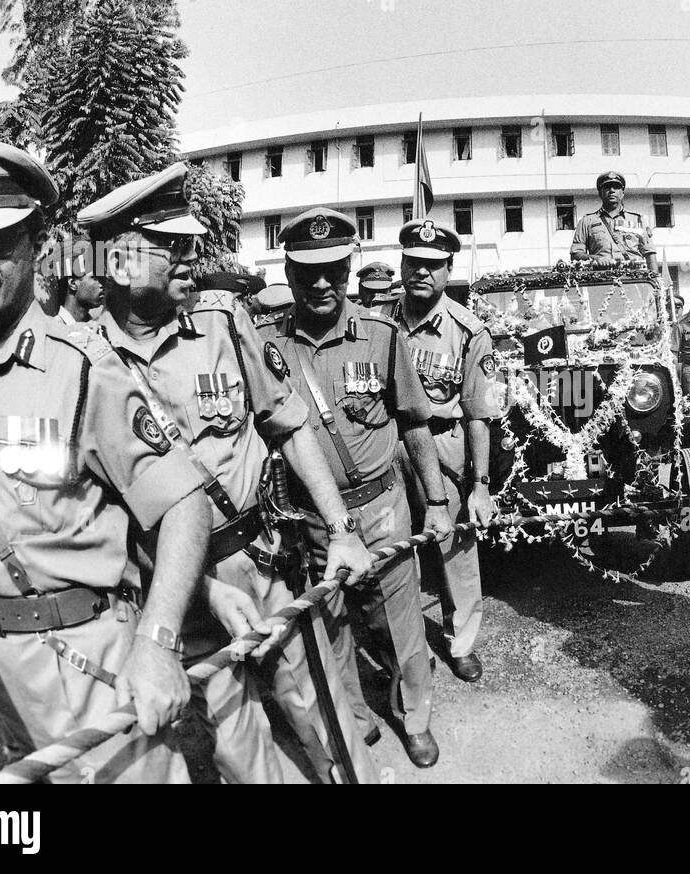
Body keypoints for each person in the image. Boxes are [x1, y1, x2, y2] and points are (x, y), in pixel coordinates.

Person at [79, 166, 376, 784]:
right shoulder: (82, 364)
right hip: (179, 595)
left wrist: (342, 528)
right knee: (241, 752)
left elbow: (289, 426)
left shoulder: (222, 321)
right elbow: (104, 518)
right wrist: (201, 589)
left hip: (268, 562)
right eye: (171, 246)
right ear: (121, 260)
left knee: (325, 719)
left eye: (191, 242)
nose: (192, 255)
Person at [0, 141, 212, 783]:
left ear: (36, 241)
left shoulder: (83, 368)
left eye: (0, 240)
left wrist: (158, 641)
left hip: (90, 663)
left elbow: (184, 502)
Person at [262, 207, 453, 768]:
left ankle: (414, 716)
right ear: (290, 273)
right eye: (307, 273)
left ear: (350, 267)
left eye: (335, 271)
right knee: (332, 625)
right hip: (313, 520)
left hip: (382, 507)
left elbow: (415, 424)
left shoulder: (380, 334)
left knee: (401, 625)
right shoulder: (267, 347)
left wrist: (437, 503)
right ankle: (357, 719)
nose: (322, 284)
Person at [391, 218, 500, 683]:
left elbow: (478, 412)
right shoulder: (377, 320)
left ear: (448, 269)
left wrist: (480, 485)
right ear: (402, 263)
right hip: (387, 443)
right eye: (414, 262)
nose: (422, 272)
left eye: (433, 265)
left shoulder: (469, 331)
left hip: (443, 445)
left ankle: (462, 641)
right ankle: (406, 645)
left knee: (455, 548)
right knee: (396, 550)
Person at [569, 171, 657, 271]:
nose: (612, 190)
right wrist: (596, 258)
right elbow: (576, 254)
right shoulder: (587, 221)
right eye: (607, 187)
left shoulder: (637, 220)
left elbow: (650, 254)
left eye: (616, 187)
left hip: (635, 278)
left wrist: (655, 280)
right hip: (602, 278)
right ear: (600, 193)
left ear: (622, 193)